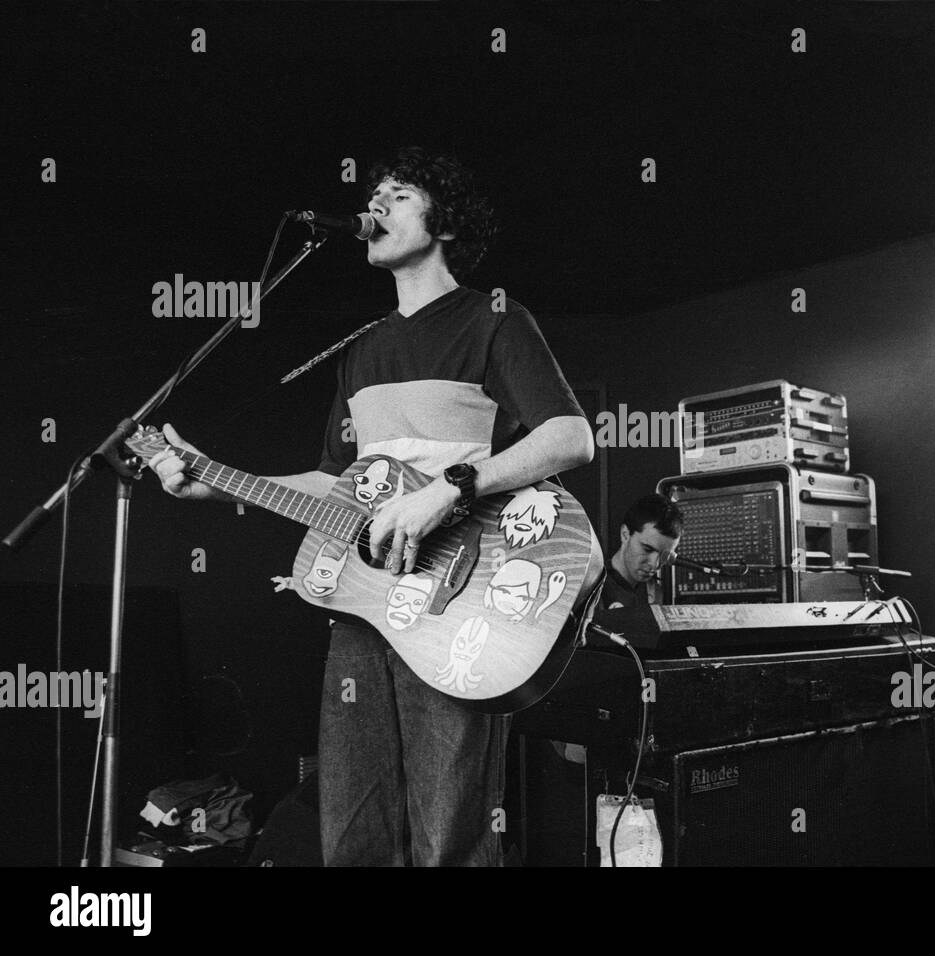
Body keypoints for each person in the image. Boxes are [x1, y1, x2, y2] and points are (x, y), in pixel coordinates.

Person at [148, 147, 594, 866]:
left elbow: (571, 437)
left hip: (459, 600)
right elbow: (337, 485)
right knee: (354, 828)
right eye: (374, 193)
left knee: (449, 829)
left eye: (400, 193)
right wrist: (215, 481)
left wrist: (453, 487)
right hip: (368, 607)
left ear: (444, 222)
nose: (376, 205)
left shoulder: (492, 321)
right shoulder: (361, 350)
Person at [598, 493, 683, 613]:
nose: (655, 564)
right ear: (625, 534)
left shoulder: (656, 591)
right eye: (647, 549)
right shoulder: (593, 589)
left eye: (664, 556)